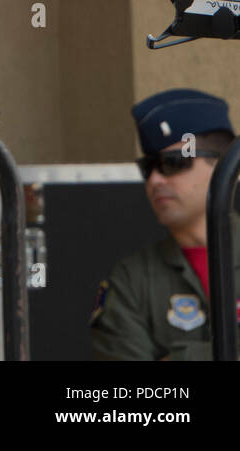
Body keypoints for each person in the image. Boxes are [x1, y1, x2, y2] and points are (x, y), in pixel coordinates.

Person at [90, 88, 240, 360]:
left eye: (173, 163)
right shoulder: (131, 279)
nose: (155, 180)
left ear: (222, 166)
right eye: (148, 167)